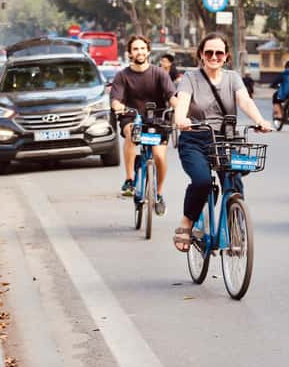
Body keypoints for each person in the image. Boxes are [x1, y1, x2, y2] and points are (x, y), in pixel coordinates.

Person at [172, 33, 272, 252]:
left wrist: (259, 120)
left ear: (226, 56)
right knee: (202, 181)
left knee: (234, 179)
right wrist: (181, 119)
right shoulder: (190, 77)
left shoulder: (233, 78)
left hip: (226, 139)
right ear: (201, 54)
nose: (214, 57)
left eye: (219, 53)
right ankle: (187, 222)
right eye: (209, 52)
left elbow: (244, 100)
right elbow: (183, 102)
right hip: (195, 139)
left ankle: (236, 232)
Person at [110, 35, 179, 212]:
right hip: (131, 117)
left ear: (148, 51)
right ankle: (130, 180)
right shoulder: (122, 76)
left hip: (157, 119)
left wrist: (179, 110)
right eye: (135, 49)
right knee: (133, 131)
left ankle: (159, 194)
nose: (139, 52)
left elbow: (172, 96)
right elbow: (116, 100)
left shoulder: (160, 73)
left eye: (142, 48)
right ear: (129, 53)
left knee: (159, 155)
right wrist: (118, 107)